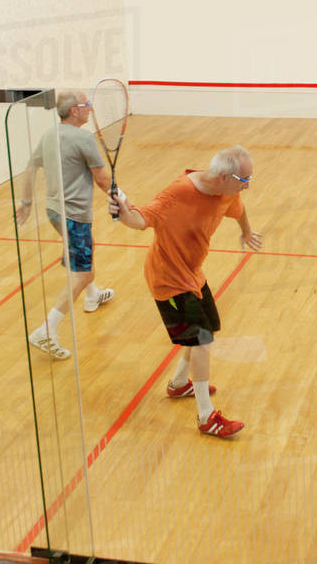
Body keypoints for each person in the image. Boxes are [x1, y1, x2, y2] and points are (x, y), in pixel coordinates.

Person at [108, 144, 263, 439]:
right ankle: (206, 417)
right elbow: (141, 220)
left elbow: (239, 211)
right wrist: (122, 211)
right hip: (168, 279)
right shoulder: (177, 194)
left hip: (192, 273)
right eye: (245, 181)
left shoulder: (227, 193)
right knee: (202, 340)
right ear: (223, 178)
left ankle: (179, 384)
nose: (247, 187)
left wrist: (245, 231)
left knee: (206, 332)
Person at [16, 90, 115, 360]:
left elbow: (30, 167)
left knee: (86, 254)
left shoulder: (49, 134)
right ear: (75, 111)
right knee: (83, 273)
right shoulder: (84, 137)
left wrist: (26, 202)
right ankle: (46, 329)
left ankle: (92, 297)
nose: (90, 108)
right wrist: (122, 199)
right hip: (74, 215)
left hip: (54, 212)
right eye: (87, 105)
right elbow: (102, 179)